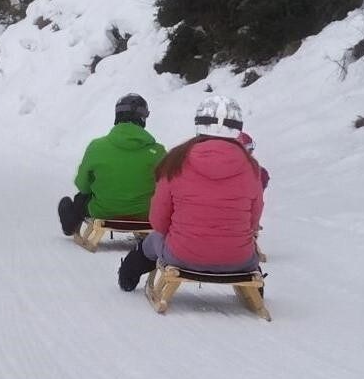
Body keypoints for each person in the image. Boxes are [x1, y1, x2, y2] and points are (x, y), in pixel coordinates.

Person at [118, 95, 265, 291]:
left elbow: (159, 219)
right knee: (246, 250)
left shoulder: (176, 161)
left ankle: (128, 275)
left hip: (182, 255)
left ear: (199, 123)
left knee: (152, 241)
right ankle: (255, 291)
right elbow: (253, 220)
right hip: (239, 260)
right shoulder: (251, 167)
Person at [58, 94, 166, 236]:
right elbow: (167, 188)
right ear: (143, 118)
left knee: (80, 198)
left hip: (103, 212)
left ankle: (70, 223)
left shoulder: (96, 147)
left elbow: (82, 185)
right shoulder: (158, 152)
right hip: (145, 214)